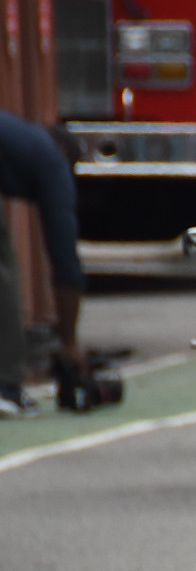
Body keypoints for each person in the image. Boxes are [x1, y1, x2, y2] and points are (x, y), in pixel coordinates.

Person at [0, 107, 91, 415]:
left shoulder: (22, 139)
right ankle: (6, 388)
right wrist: (69, 342)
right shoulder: (53, 160)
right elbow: (64, 258)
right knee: (4, 266)